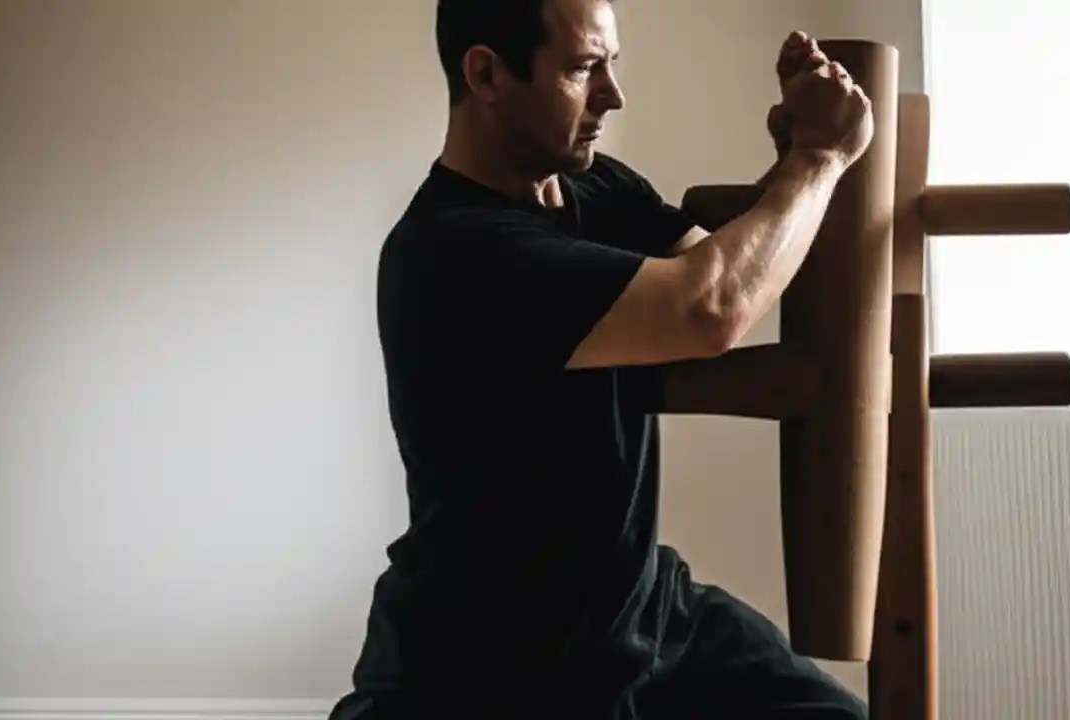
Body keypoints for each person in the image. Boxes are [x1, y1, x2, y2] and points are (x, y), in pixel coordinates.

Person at [327, 0, 874, 717]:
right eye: (584, 68)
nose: (613, 94)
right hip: (486, 665)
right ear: (488, 74)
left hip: (649, 613)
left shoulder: (599, 186)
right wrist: (819, 157)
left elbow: (735, 272)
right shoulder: (451, 250)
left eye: (611, 63)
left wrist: (788, 161)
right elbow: (706, 308)